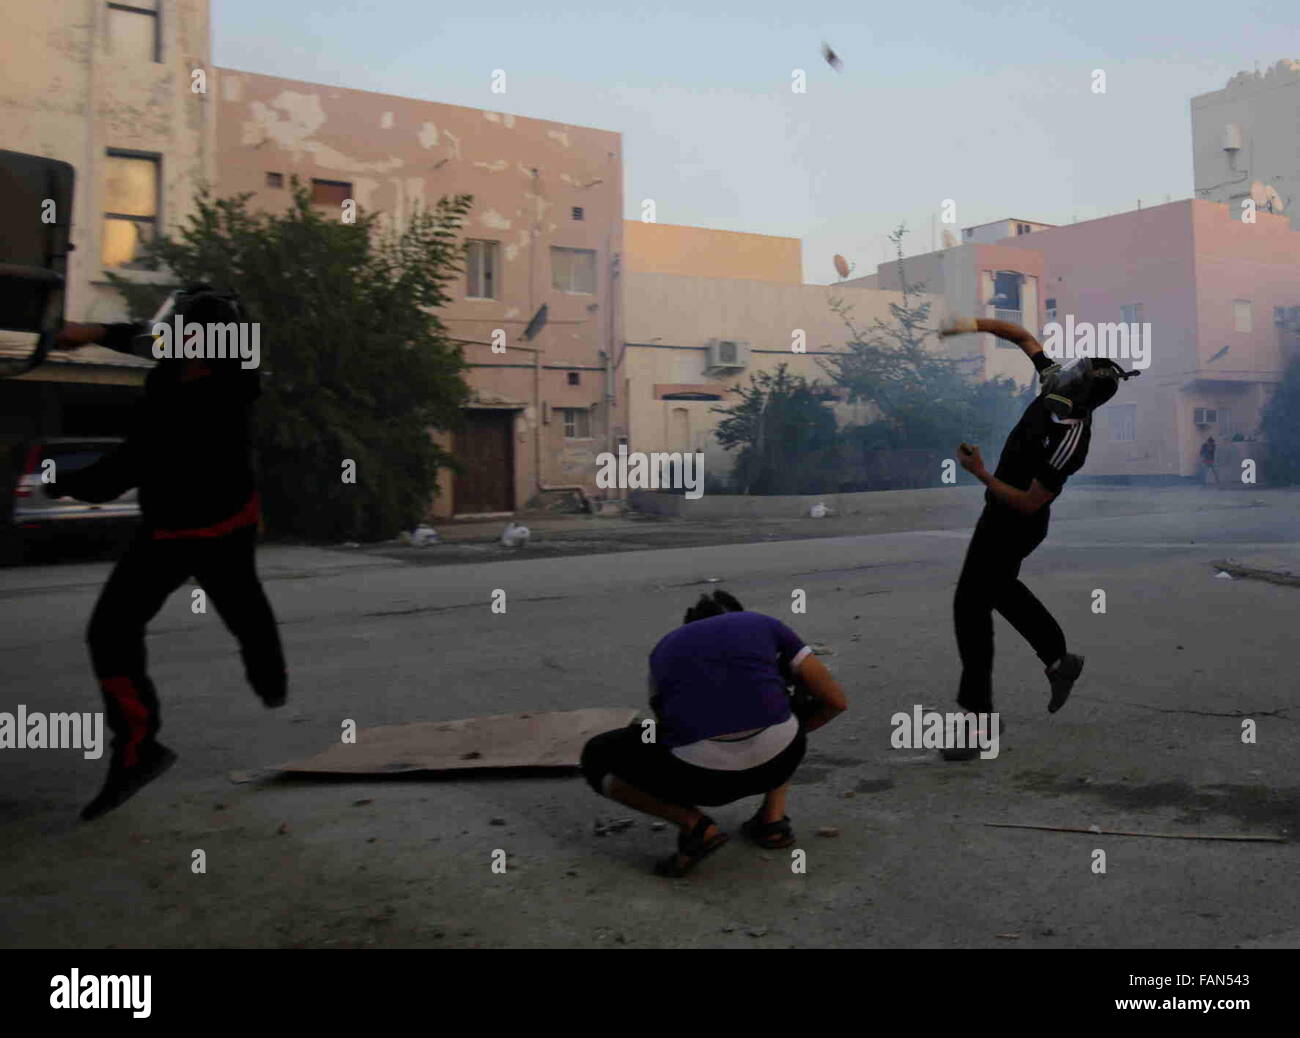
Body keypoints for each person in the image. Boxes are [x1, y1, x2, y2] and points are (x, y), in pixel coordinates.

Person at [49, 284, 287, 819]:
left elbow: (123, 470)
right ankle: (139, 749)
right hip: (170, 530)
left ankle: (269, 678)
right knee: (112, 632)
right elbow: (137, 335)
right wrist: (83, 333)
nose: (167, 339)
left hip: (216, 529)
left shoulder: (215, 399)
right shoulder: (187, 361)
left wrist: (62, 483)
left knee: (244, 612)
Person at [937, 316, 1138, 760]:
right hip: (1000, 515)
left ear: (1081, 397)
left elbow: (1030, 503)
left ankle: (978, 722)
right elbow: (1022, 336)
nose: (1058, 374)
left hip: (1017, 522)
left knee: (970, 606)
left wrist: (980, 473)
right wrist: (967, 324)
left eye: (1071, 375)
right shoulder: (1055, 385)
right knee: (999, 590)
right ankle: (1058, 659)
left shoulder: (1070, 438)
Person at [580, 590, 848, 877]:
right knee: (784, 706)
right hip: (781, 759)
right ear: (740, 613)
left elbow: (670, 728)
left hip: (701, 781)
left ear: (688, 624)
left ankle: (694, 825)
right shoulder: (765, 625)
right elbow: (835, 702)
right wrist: (795, 731)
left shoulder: (664, 648)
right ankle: (773, 821)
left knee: (597, 754)